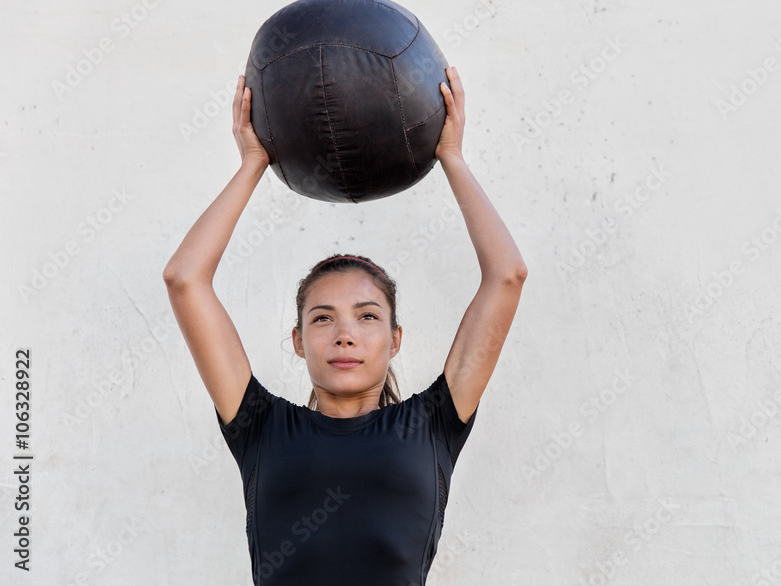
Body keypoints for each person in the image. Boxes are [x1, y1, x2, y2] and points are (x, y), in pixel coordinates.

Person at [162, 66, 527, 585]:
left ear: (395, 340)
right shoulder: (260, 427)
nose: (345, 333)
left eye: (367, 316)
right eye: (322, 318)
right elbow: (184, 279)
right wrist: (253, 163)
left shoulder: (434, 425)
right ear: (298, 340)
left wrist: (451, 156)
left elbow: (507, 276)